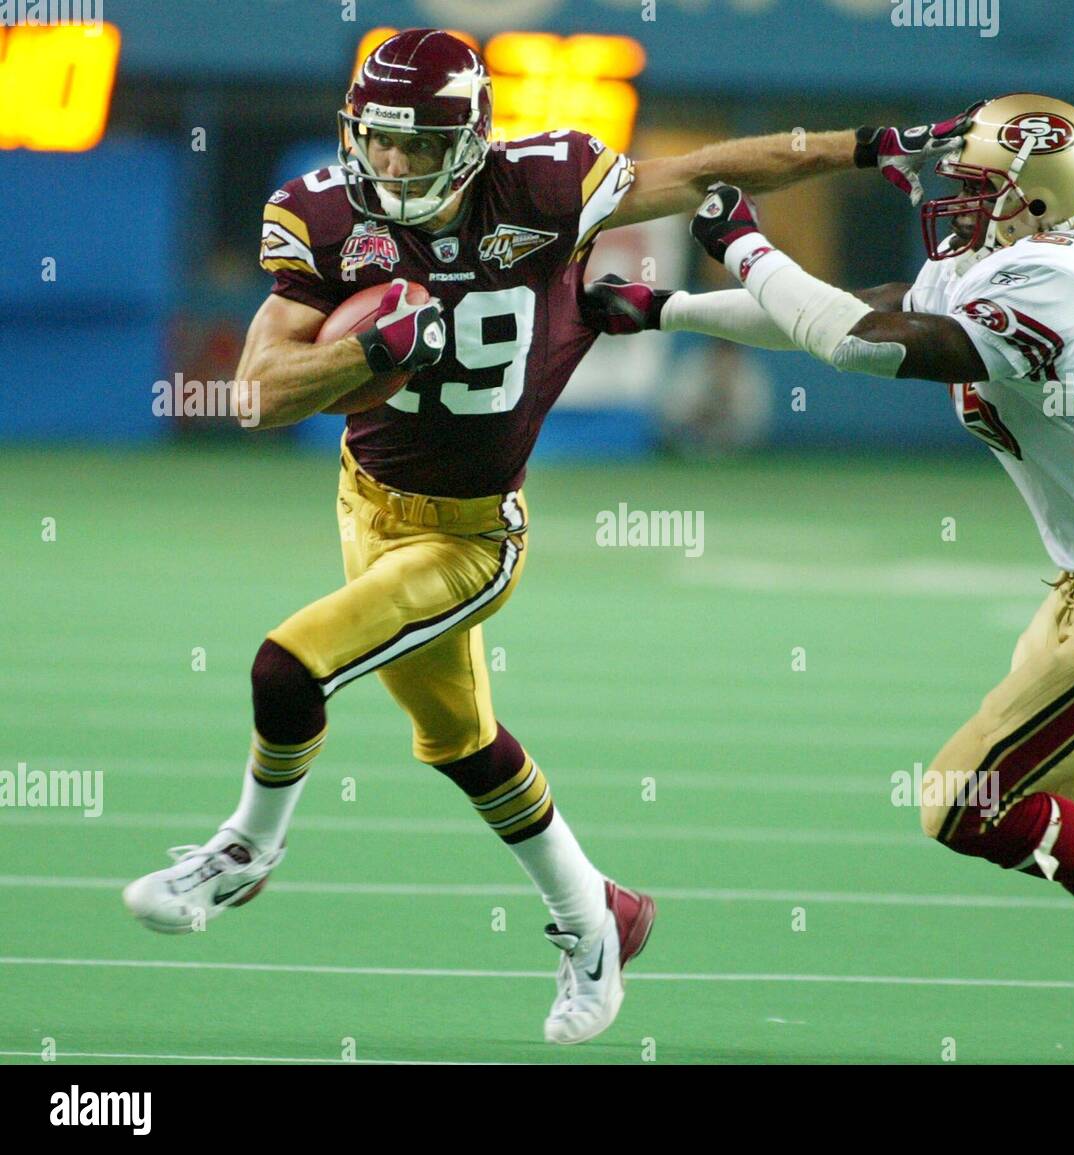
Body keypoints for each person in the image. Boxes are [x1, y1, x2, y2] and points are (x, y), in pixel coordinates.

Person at [122, 28, 911, 1046]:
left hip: (467, 540)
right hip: (366, 503)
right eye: (379, 140)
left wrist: (857, 145)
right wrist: (368, 349)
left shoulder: (547, 188)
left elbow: (707, 172)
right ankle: (601, 918)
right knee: (462, 743)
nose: (393, 164)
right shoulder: (319, 212)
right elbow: (257, 397)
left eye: (417, 142)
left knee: (288, 669)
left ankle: (244, 851)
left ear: (470, 137)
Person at [586, 94, 1074, 1064]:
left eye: (979, 187)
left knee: (964, 800)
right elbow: (840, 313)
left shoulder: (1062, 284)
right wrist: (666, 309)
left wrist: (745, 243)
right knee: (1057, 819)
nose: (953, 203)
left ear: (1040, 200)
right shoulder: (996, 260)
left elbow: (859, 346)